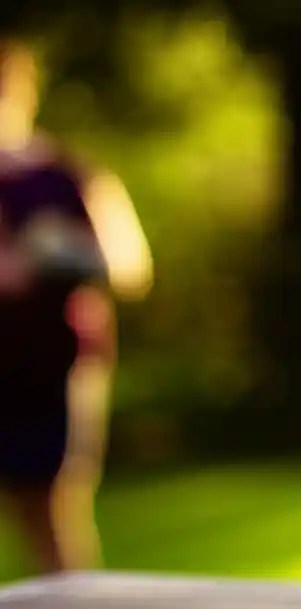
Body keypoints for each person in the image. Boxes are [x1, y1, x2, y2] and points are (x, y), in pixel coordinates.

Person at [0, 40, 150, 573]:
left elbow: (130, 266)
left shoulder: (66, 174)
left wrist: (56, 254)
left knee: (54, 510)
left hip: (56, 363)